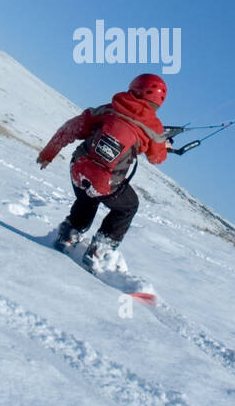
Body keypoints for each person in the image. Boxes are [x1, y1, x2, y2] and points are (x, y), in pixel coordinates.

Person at [37, 73, 172, 270]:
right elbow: (157, 158)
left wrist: (48, 153)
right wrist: (164, 145)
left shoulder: (109, 109)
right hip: (106, 185)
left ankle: (69, 234)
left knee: (87, 196)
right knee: (128, 206)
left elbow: (72, 127)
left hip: (78, 169)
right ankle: (100, 249)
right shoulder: (154, 128)